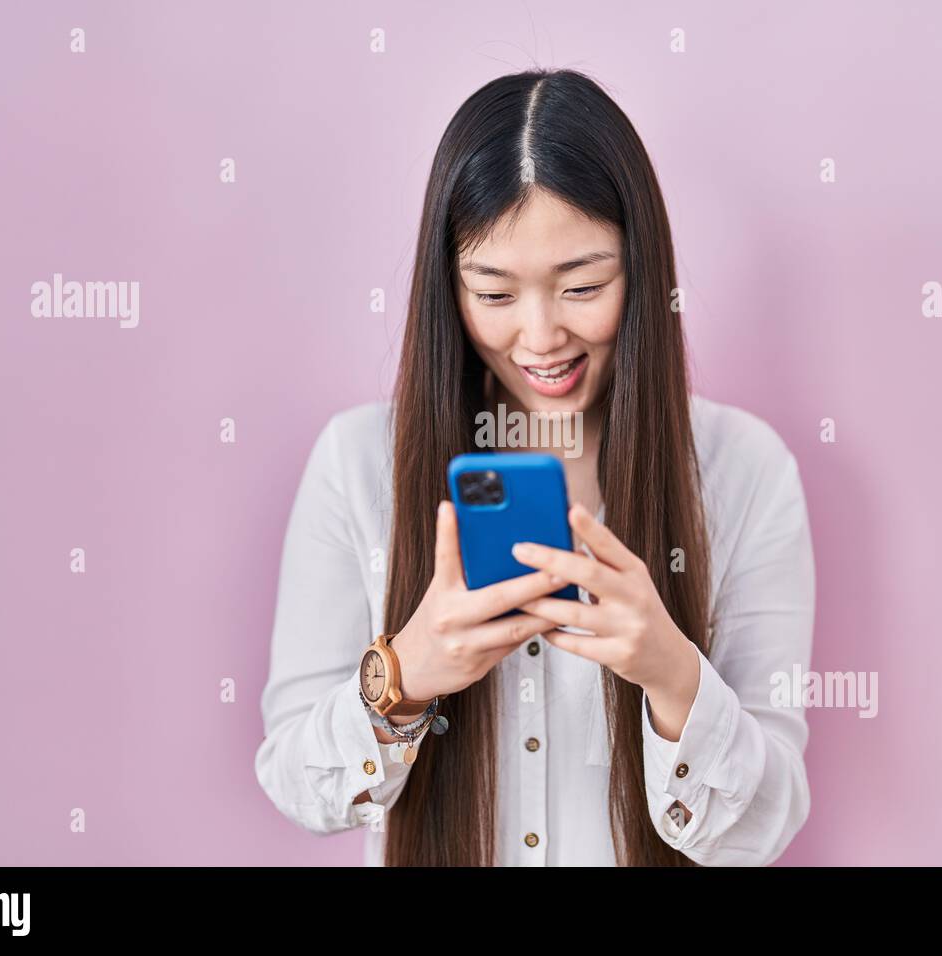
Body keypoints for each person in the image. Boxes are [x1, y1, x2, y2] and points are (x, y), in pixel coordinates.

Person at [255, 68, 816, 866]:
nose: (541, 335)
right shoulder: (357, 463)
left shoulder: (744, 469)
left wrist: (669, 672)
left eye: (583, 285)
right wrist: (406, 675)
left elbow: (769, 819)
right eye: (494, 293)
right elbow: (293, 781)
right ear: (449, 290)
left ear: (642, 269)